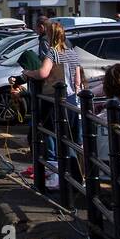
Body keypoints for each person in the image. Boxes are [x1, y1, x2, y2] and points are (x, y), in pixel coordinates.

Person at [16, 21, 84, 188]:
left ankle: (57, 177)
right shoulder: (72, 53)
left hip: (55, 99)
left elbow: (43, 73)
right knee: (70, 139)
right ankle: (76, 177)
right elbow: (77, 80)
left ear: (50, 35)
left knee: (53, 134)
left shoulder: (53, 52)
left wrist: (27, 72)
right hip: (71, 100)